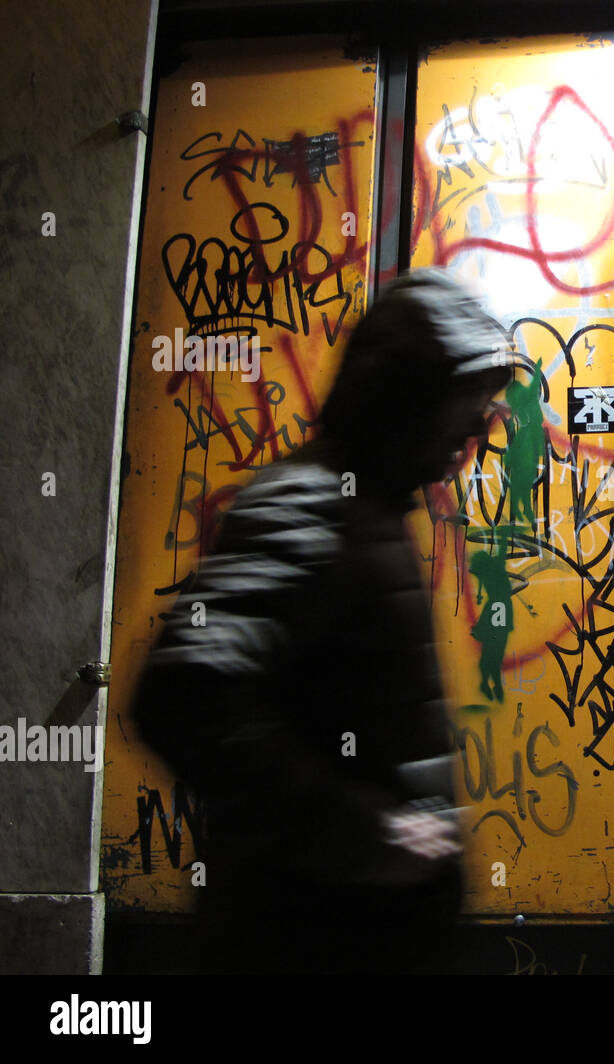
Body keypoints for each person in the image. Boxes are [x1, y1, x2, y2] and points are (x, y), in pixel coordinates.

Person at [131, 268, 514, 973]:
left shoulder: (369, 505)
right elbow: (183, 691)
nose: (480, 423)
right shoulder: (308, 504)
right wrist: (358, 836)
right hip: (302, 942)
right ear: (409, 393)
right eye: (469, 397)